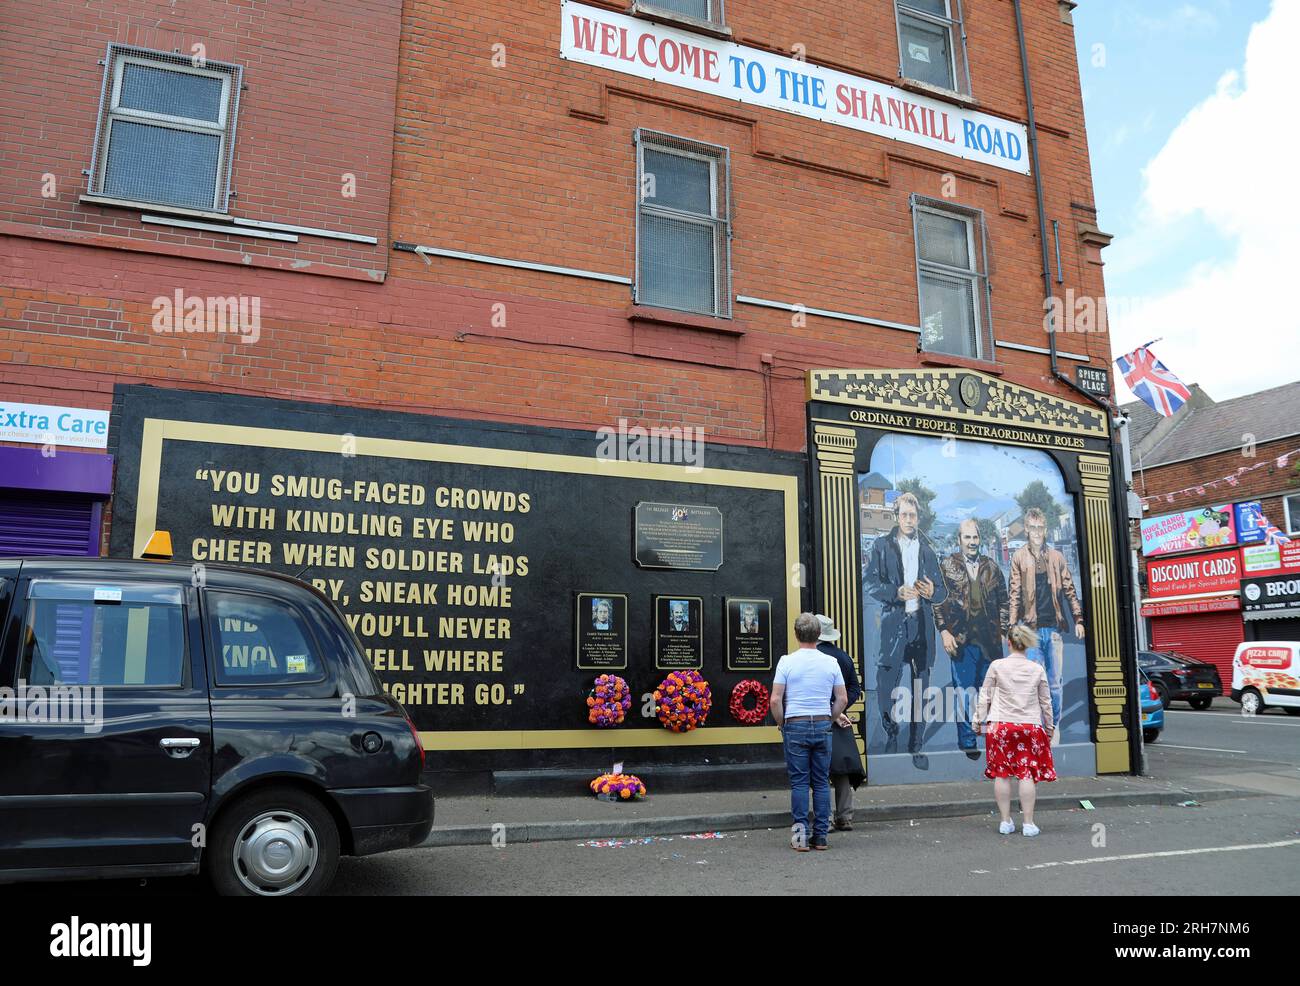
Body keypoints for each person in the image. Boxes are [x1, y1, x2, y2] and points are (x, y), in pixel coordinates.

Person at [864, 492, 948, 769]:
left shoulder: (927, 550)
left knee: (921, 687)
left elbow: (942, 591)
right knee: (887, 686)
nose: (909, 520)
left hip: (921, 627)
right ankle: (891, 732)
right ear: (896, 516)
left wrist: (934, 591)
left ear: (918, 517)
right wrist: (894, 592)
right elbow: (870, 584)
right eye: (904, 515)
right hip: (893, 627)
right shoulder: (881, 546)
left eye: (913, 515)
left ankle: (916, 744)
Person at [771, 612, 848, 852]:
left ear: (796, 635)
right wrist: (831, 717)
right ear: (819, 635)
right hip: (822, 724)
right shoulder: (831, 662)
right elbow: (842, 698)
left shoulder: (786, 661)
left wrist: (783, 723)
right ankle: (821, 837)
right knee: (822, 783)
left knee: (800, 783)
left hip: (795, 724)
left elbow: (775, 700)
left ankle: (801, 838)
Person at [934, 519, 1009, 759]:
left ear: (980, 539)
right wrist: (944, 631)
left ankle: (992, 737)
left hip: (990, 640)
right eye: (967, 538)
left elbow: (1004, 601)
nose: (972, 542)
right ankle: (967, 740)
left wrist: (1005, 630)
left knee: (991, 693)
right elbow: (938, 601)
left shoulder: (991, 566)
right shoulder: (947, 565)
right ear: (959, 540)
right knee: (965, 693)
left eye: (975, 537)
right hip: (961, 639)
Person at [973, 623, 1056, 837]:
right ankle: (1028, 823)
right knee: (1026, 773)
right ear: (1025, 646)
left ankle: (1005, 821)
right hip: (1029, 726)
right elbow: (1046, 701)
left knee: (1002, 774)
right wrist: (1049, 726)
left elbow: (985, 696)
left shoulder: (996, 666)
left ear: (1008, 643)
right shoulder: (1037, 668)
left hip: (1000, 726)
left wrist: (977, 721)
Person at [1008, 507, 1084, 736]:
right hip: (1030, 631)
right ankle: (1037, 728)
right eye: (1032, 528)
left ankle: (1051, 726)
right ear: (1026, 530)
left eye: (1040, 528)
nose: (1037, 532)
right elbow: (1014, 593)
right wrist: (1011, 627)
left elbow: (1070, 591)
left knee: (1054, 684)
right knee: (1032, 683)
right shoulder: (1019, 557)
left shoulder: (1057, 558)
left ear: (1046, 529)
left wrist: (1079, 619)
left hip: (1053, 630)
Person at [815, 614, 864, 830]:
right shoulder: (843, 657)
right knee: (842, 770)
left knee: (821, 771)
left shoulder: (811, 657)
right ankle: (845, 817)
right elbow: (854, 689)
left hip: (816, 719)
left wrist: (829, 710)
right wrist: (840, 709)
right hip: (840, 719)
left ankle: (824, 820)